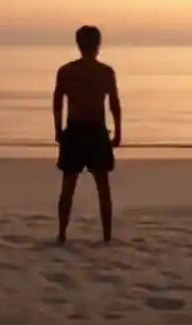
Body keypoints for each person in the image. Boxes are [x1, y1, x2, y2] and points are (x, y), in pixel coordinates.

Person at [53, 25, 122, 244]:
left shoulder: (66, 71)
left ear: (79, 44)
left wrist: (57, 130)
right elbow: (114, 105)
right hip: (95, 132)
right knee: (103, 188)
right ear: (98, 45)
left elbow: (57, 104)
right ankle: (106, 236)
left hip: (75, 131)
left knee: (68, 187)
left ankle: (62, 234)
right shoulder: (105, 72)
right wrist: (118, 132)